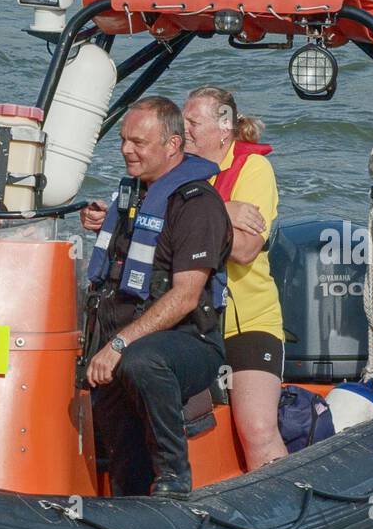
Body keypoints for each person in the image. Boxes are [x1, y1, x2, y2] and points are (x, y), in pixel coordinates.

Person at [82, 87, 287, 471]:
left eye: (194, 122)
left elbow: (244, 249)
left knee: (257, 427)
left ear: (224, 128)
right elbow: (158, 232)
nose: (187, 130)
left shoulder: (252, 170)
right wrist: (111, 216)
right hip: (186, 321)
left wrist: (206, 213)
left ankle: (282, 507)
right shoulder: (171, 178)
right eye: (184, 121)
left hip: (246, 321)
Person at [83, 96, 233, 499]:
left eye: (138, 143)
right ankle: (126, 499)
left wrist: (118, 344)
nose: (126, 150)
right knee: (121, 445)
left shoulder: (197, 205)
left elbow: (185, 297)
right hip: (118, 337)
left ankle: (174, 477)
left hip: (187, 343)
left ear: (172, 145)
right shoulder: (132, 198)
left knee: (141, 361)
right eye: (123, 140)